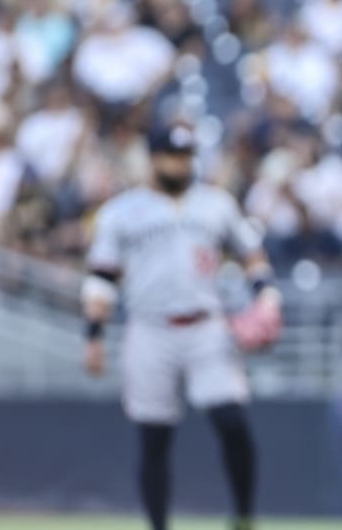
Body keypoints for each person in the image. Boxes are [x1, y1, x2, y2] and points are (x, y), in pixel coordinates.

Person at [81, 124, 282, 530]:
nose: (181, 163)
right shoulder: (122, 210)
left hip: (206, 325)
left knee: (232, 421)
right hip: (150, 328)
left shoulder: (215, 203)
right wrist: (94, 336)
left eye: (187, 155)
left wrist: (265, 293)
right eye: (173, 155)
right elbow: (102, 279)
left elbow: (251, 252)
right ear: (153, 158)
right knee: (154, 436)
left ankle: (243, 517)